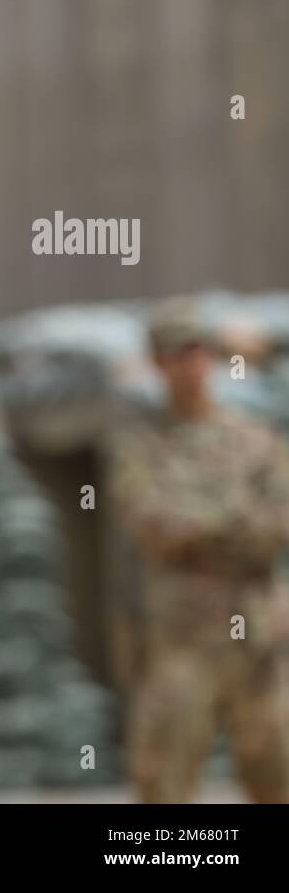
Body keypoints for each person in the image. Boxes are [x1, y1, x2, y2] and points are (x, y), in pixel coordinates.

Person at [107, 299, 289, 802]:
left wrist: (205, 525)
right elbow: (155, 526)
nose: (191, 365)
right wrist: (235, 520)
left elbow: (278, 524)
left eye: (198, 352)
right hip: (182, 640)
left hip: (258, 639)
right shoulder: (142, 447)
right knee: (163, 784)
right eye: (177, 355)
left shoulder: (254, 441)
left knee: (278, 776)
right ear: (158, 363)